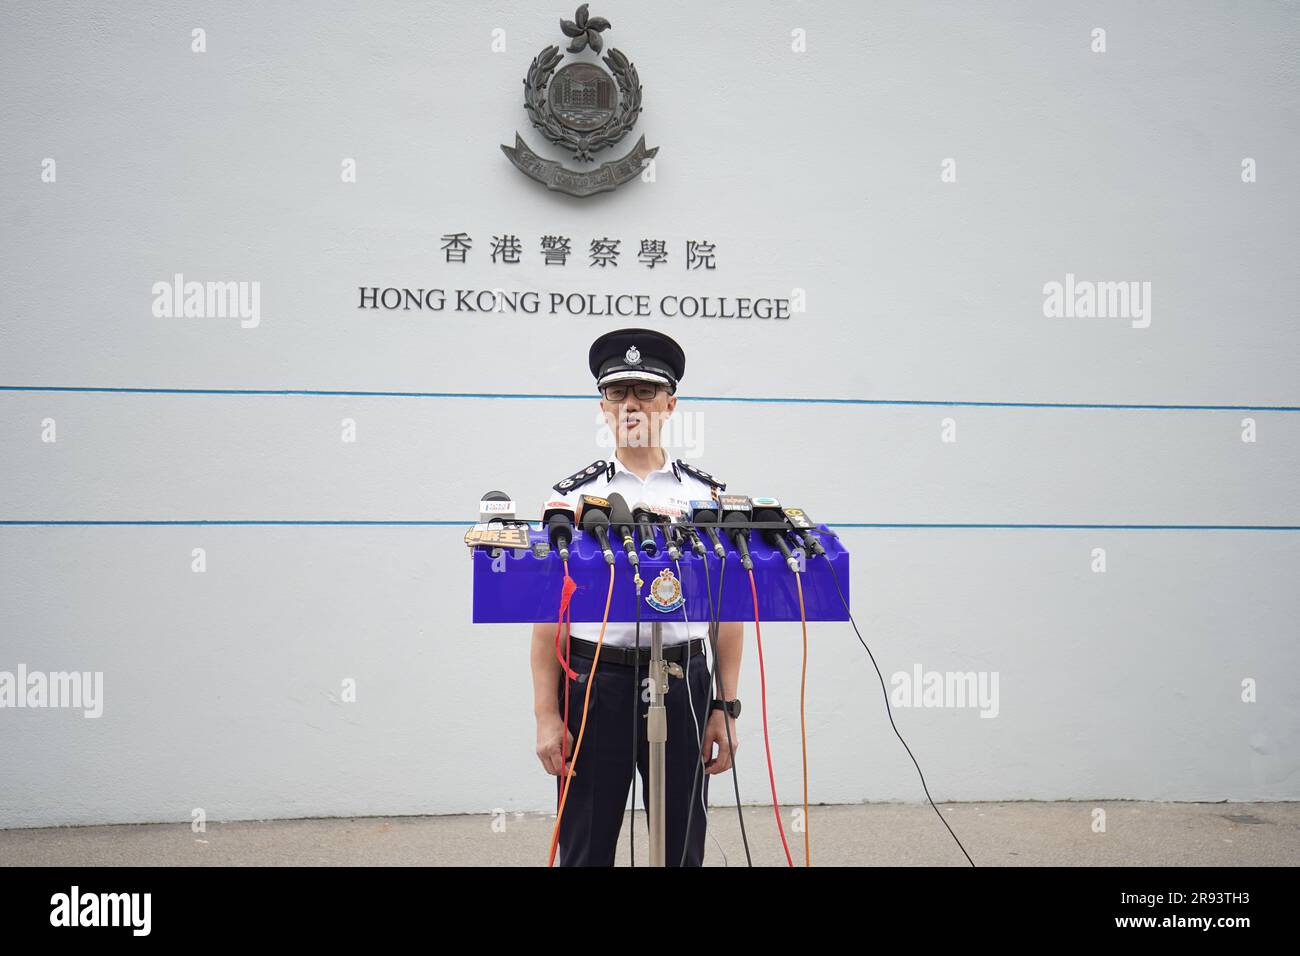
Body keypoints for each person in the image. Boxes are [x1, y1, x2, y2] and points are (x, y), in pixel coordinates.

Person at [530, 327, 744, 867]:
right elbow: (548, 616)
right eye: (617, 392)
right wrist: (546, 715)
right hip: (595, 681)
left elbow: (728, 612)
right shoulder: (572, 498)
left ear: (670, 404)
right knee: (586, 843)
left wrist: (725, 706)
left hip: (684, 680)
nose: (631, 404)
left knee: (679, 847)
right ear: (603, 407)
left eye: (645, 392)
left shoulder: (705, 496)